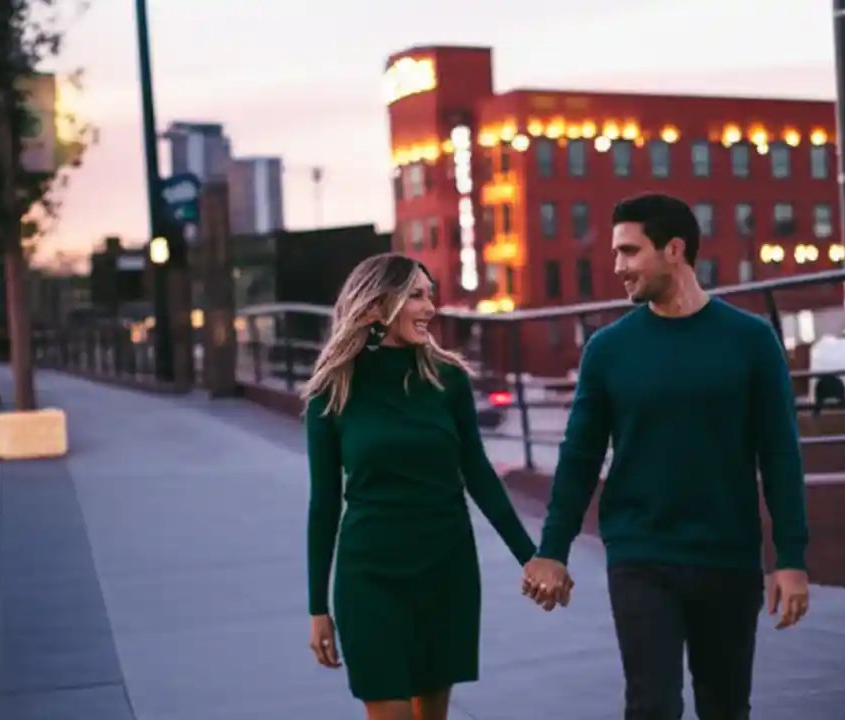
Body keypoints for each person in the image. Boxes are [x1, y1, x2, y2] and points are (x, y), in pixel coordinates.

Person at [521, 194, 811, 719]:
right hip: (641, 554)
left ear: (674, 249)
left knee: (726, 708)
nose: (617, 267)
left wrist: (790, 558)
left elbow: (780, 454)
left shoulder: (751, 341)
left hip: (727, 556)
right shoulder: (608, 350)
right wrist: (552, 549)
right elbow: (580, 456)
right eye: (616, 252)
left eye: (629, 251)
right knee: (651, 705)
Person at [303, 253, 564, 720]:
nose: (431, 307)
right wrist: (317, 607)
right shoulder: (332, 390)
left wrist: (530, 557)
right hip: (371, 577)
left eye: (430, 295)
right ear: (376, 306)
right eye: (416, 296)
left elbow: (478, 473)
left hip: (445, 571)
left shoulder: (448, 379)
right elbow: (323, 505)